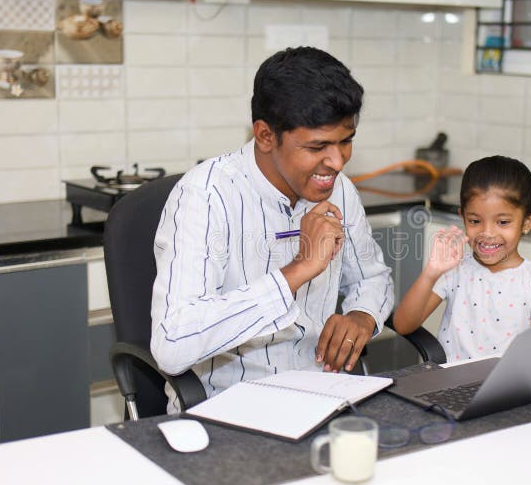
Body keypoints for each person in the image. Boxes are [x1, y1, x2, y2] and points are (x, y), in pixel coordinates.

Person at [150, 47, 393, 412]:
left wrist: (363, 315)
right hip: (227, 410)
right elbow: (173, 344)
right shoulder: (205, 195)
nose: (338, 161)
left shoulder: (339, 189)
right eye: (317, 146)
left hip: (323, 397)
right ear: (265, 136)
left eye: (346, 141)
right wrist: (298, 271)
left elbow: (373, 277)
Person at [393, 155, 531, 362]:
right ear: (463, 216)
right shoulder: (454, 271)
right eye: (475, 221)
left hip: (507, 389)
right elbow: (403, 325)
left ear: (528, 222)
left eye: (502, 222)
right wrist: (430, 274)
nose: (487, 233)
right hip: (449, 385)